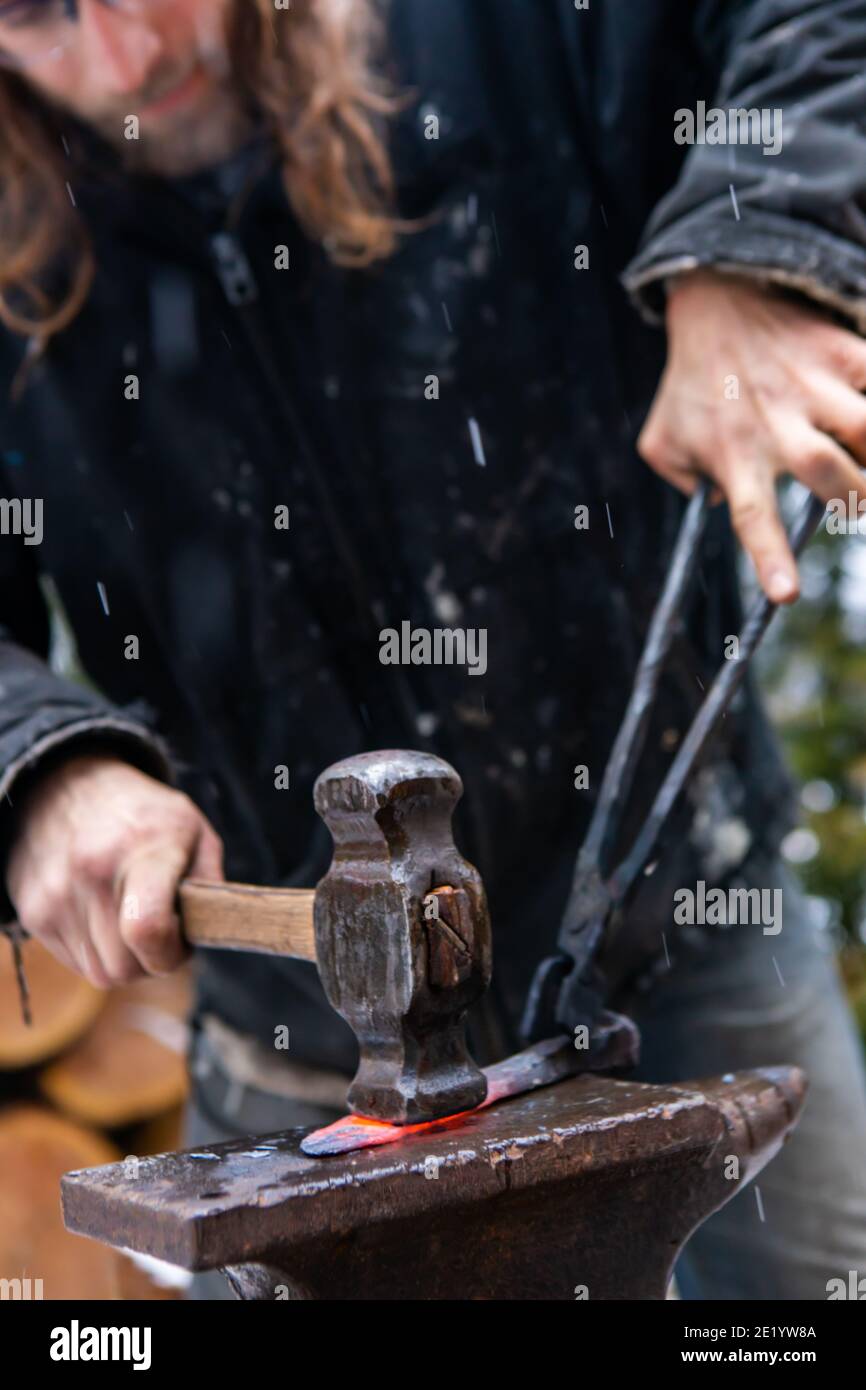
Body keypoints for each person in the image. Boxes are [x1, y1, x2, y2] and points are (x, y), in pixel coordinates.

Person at [1, 0, 865, 1301]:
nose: (126, 62)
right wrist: (40, 768)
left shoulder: (493, 27)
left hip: (683, 931)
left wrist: (754, 246)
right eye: (35, 13)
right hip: (294, 1043)